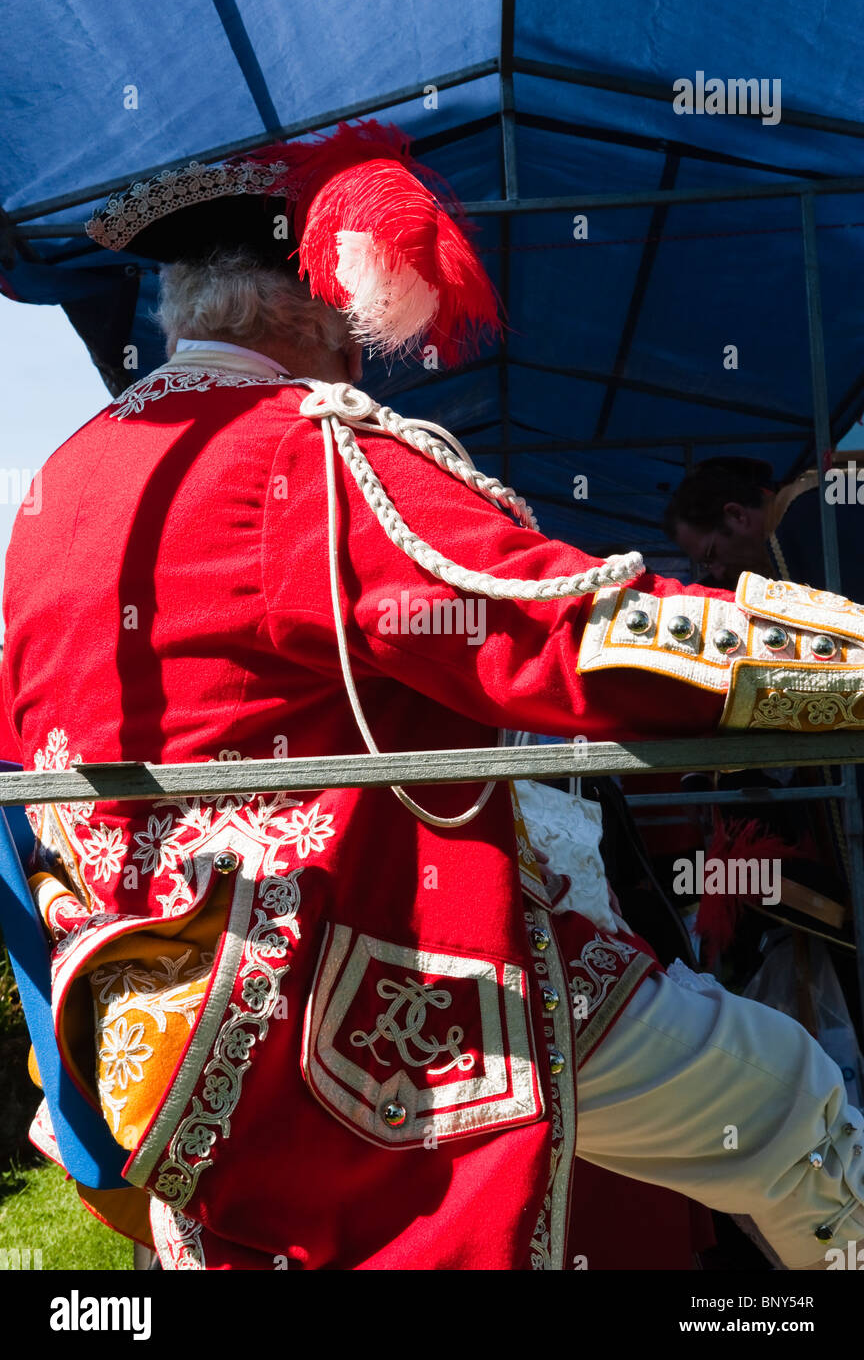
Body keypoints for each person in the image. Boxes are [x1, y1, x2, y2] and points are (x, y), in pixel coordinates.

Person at [4, 121, 864, 1272]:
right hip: (335, 991)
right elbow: (564, 631)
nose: (362, 357)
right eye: (356, 331)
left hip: (141, 1032)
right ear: (310, 303)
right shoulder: (298, 452)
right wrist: (840, 663)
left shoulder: (58, 481)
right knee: (786, 1096)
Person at [664, 454, 864, 599]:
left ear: (737, 515)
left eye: (711, 554)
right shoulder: (812, 512)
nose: (717, 573)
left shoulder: (812, 523)